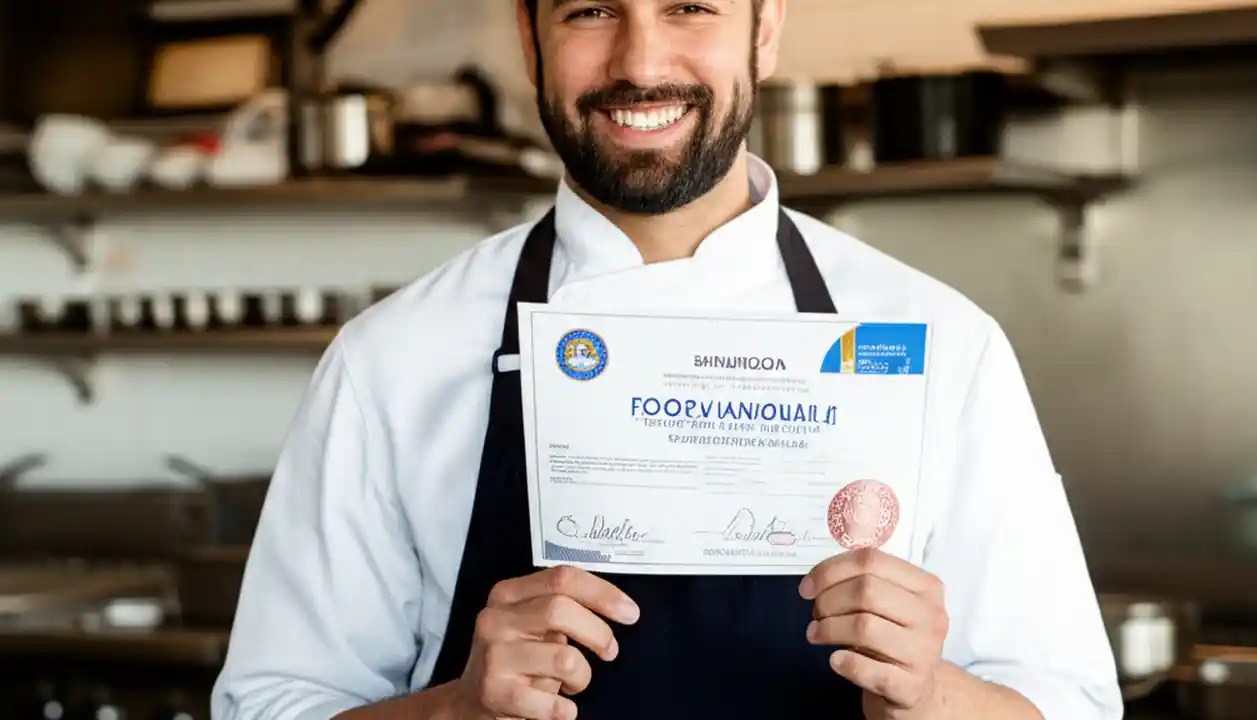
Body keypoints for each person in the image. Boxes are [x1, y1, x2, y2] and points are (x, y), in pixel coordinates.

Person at [211, 1, 1124, 719]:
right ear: (529, 40)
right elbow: (268, 704)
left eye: (690, 7)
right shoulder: (393, 360)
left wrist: (928, 696)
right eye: (591, 13)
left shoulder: (941, 345)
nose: (641, 64)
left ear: (764, 31)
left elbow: (1071, 705)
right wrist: (456, 712)